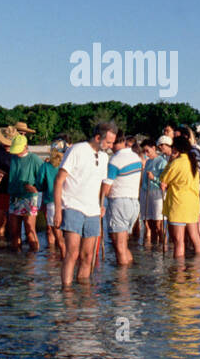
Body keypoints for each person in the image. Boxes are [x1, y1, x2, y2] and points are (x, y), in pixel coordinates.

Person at [53, 121, 116, 287]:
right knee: (72, 253)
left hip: (93, 211)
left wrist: (101, 204)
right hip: (73, 206)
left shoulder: (104, 157)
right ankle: (67, 291)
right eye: (108, 142)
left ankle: (84, 292)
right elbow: (59, 181)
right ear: (97, 137)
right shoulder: (77, 150)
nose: (111, 146)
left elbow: (100, 184)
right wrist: (58, 211)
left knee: (88, 256)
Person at [161, 136, 200, 257]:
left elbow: (163, 179)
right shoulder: (193, 161)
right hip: (192, 204)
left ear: (176, 148)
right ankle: (198, 268)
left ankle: (178, 272)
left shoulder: (176, 163)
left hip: (179, 205)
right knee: (195, 238)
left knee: (178, 241)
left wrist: (170, 160)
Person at [105, 134, 143, 264]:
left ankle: (122, 280)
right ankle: (130, 271)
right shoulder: (136, 157)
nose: (109, 147)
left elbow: (106, 188)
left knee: (119, 246)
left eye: (110, 143)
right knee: (123, 245)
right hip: (133, 203)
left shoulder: (115, 160)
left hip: (119, 202)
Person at [6, 134, 42, 251]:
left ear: (25, 146)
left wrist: (35, 187)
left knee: (29, 229)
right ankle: (17, 260)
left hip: (29, 198)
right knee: (14, 231)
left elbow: (43, 178)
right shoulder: (13, 158)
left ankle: (33, 260)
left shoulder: (34, 159)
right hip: (14, 196)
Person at [141, 136, 170, 248]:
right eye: (144, 151)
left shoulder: (161, 162)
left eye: (147, 151)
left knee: (158, 224)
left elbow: (164, 181)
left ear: (154, 148)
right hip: (146, 192)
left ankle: (163, 246)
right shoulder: (147, 162)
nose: (146, 153)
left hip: (157, 193)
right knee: (148, 222)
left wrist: (154, 178)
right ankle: (153, 248)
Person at [38, 148, 65, 259]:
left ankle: (53, 257)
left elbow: (39, 184)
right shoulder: (67, 165)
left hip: (52, 201)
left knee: (53, 232)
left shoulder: (46, 166)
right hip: (69, 201)